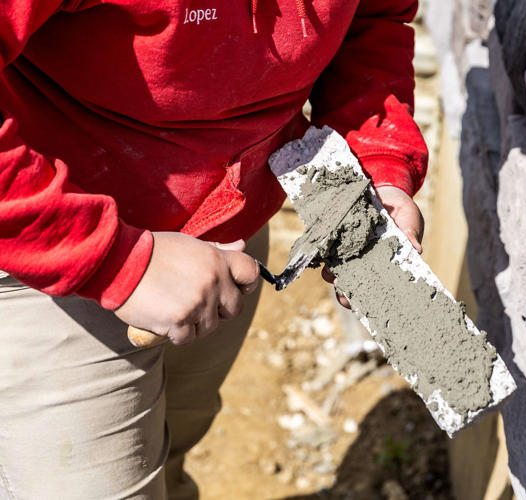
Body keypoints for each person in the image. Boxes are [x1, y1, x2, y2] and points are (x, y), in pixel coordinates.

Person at [0, 1, 428, 498]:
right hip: (51, 246)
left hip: (227, 243)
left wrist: (378, 162)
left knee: (173, 436)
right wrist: (113, 261)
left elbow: (370, 20)